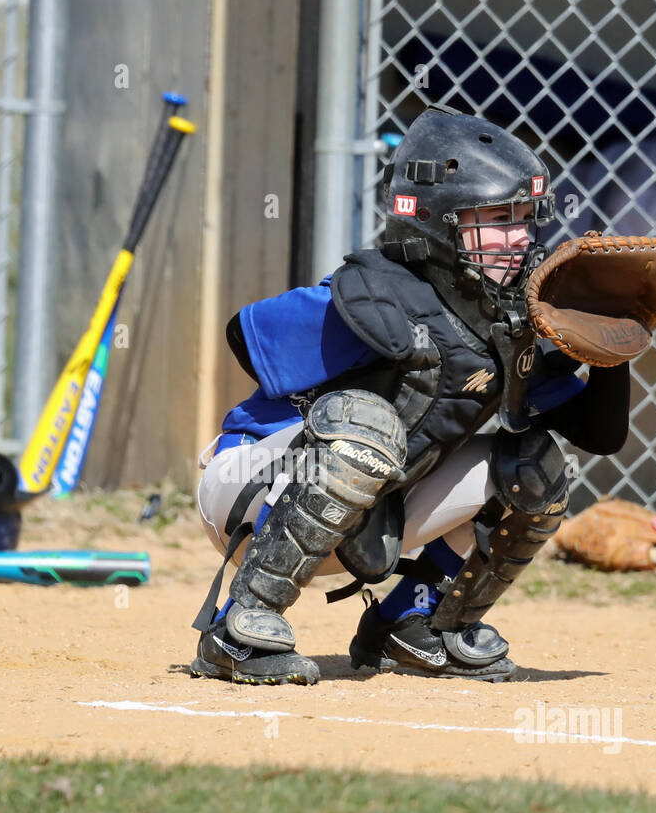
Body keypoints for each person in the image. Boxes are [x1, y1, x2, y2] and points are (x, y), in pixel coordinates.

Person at [189, 105, 630, 686]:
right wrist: (365, 361)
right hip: (250, 485)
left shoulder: (507, 320)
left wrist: (610, 352)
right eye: (498, 218)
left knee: (535, 467)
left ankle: (413, 625)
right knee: (365, 423)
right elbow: (246, 335)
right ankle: (240, 625)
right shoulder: (377, 297)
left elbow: (599, 435)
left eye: (525, 219)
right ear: (437, 224)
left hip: (370, 503)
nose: (519, 239)